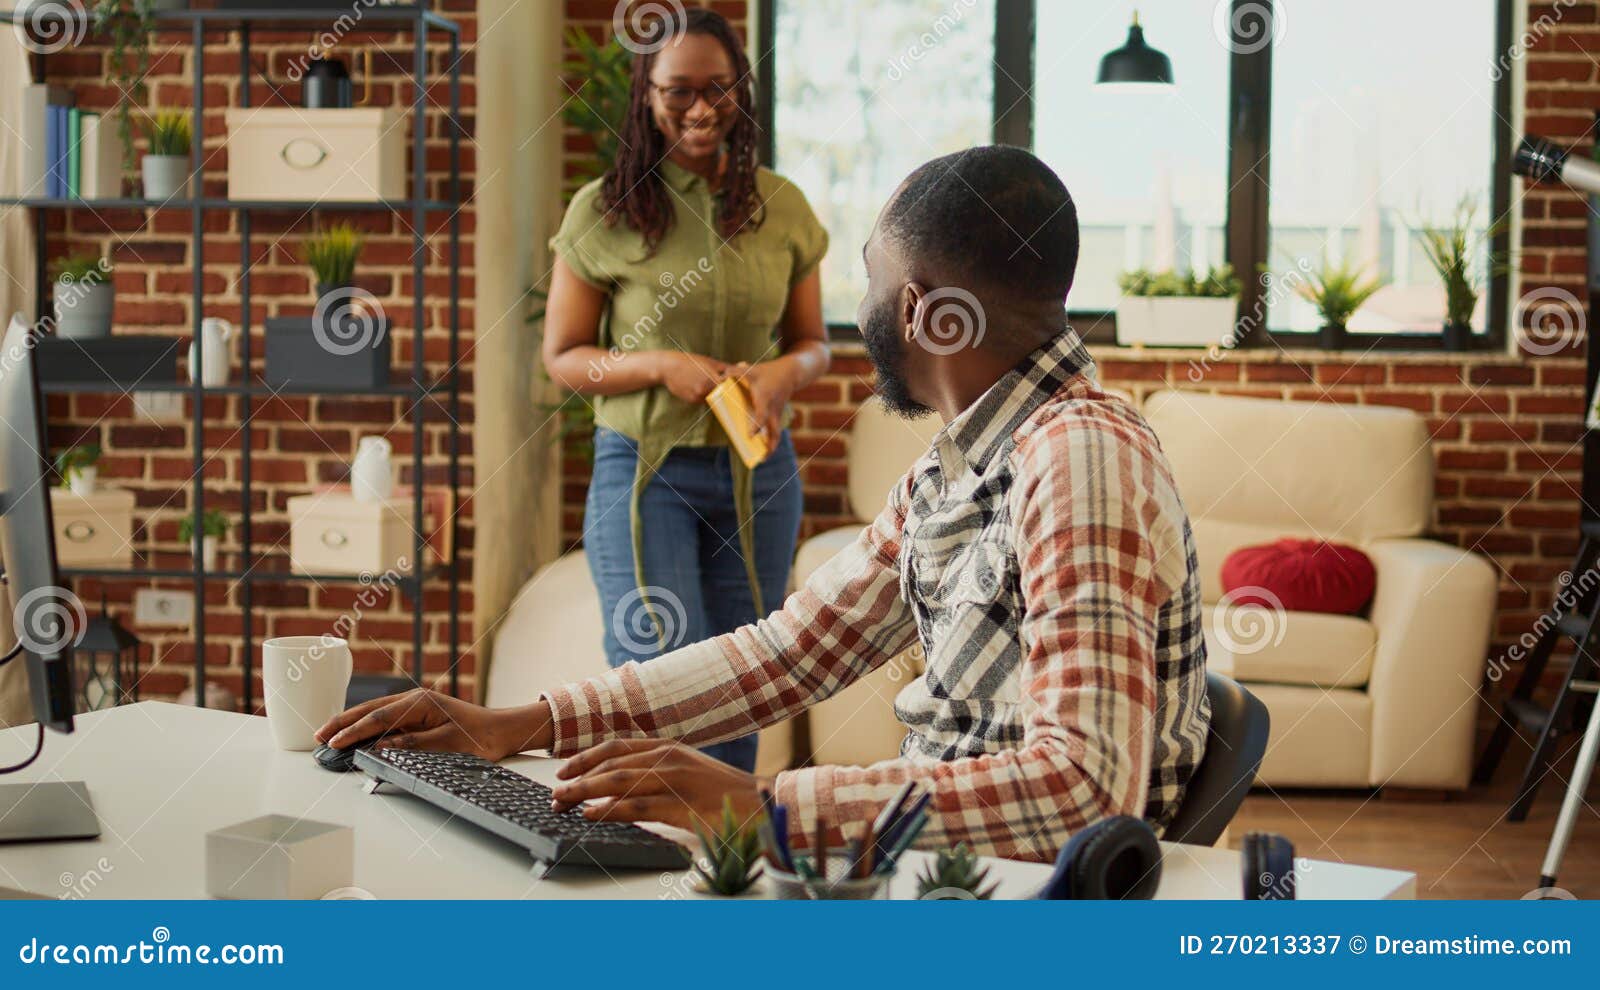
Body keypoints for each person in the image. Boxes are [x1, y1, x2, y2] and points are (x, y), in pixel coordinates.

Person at [321, 146, 1210, 863]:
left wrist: (765, 805)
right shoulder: (958, 466)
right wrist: (525, 722)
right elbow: (788, 654)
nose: (852, 314)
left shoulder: (1079, 459)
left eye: (867, 282)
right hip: (930, 870)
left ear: (917, 309)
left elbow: (1087, 791)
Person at [539, 9, 830, 773]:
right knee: (663, 676)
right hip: (645, 473)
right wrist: (657, 365)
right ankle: (639, 872)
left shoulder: (782, 207)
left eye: (718, 89)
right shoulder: (603, 210)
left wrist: (781, 373)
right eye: (678, 92)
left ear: (741, 92)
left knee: (744, 682)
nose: (700, 110)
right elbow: (564, 356)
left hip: (760, 475)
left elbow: (814, 344)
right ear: (645, 93)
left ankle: (719, 871)